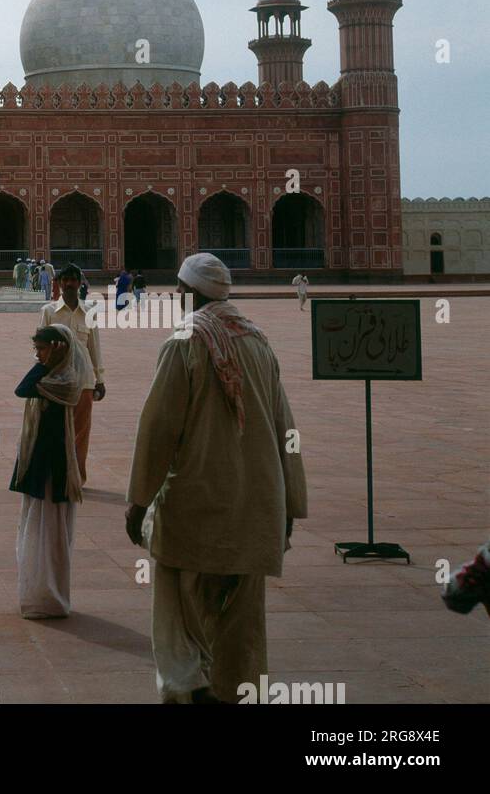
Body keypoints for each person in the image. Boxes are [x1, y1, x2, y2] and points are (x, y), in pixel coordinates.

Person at [125, 253, 309, 704]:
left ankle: (190, 685)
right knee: (243, 623)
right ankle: (236, 692)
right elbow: (287, 429)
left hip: (197, 505)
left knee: (181, 614)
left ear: (188, 293)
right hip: (257, 506)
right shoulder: (257, 341)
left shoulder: (185, 341)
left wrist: (139, 500)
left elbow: (158, 430)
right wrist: (291, 501)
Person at [11, 326, 88, 619]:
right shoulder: (53, 377)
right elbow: (24, 389)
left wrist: (42, 364)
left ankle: (51, 595)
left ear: (58, 348)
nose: (38, 354)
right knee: (36, 525)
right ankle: (37, 592)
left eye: (42, 349)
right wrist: (44, 361)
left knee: (52, 530)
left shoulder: (65, 380)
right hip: (41, 457)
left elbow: (23, 388)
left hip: (53, 461)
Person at [41, 263, 106, 484]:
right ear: (59, 283)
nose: (69, 284)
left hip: (84, 380)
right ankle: (57, 473)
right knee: (56, 428)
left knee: (81, 432)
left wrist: (100, 379)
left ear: (79, 283)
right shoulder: (48, 312)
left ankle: (76, 477)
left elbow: (94, 347)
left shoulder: (89, 312)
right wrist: (40, 376)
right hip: (57, 380)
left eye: (73, 280)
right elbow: (40, 348)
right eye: (65, 280)